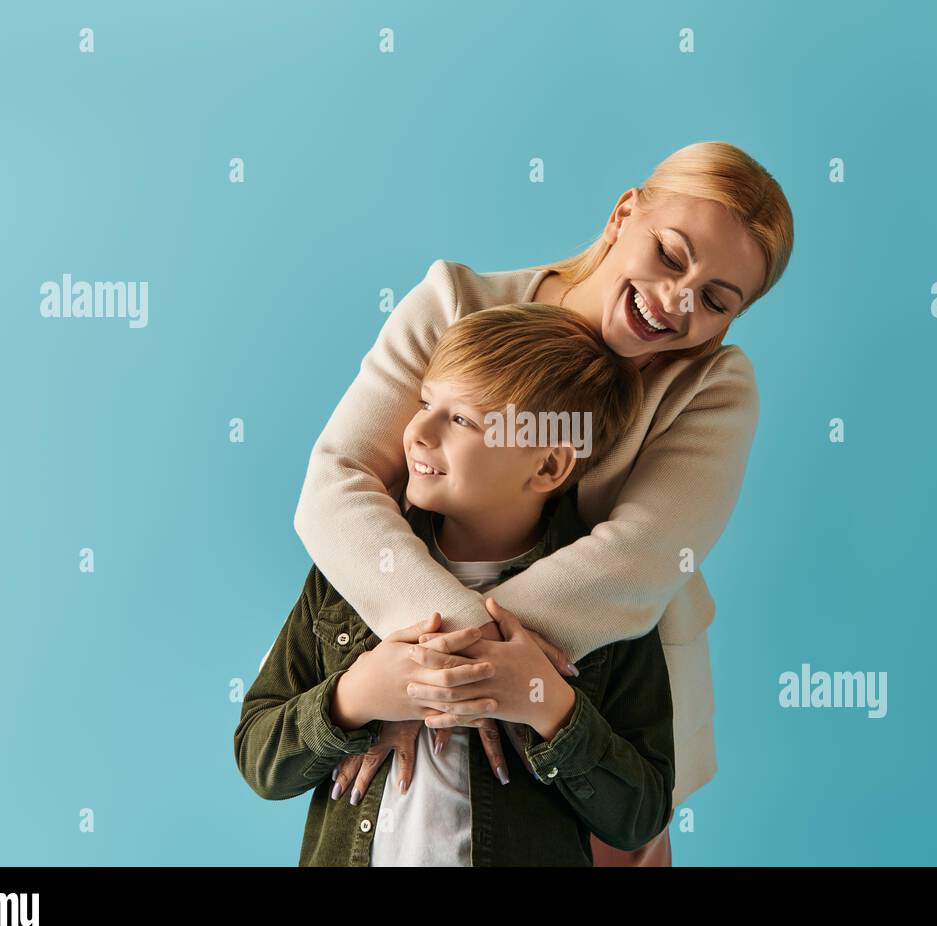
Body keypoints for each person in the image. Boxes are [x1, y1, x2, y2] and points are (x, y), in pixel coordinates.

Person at [293, 142, 794, 865]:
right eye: (669, 254)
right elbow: (337, 483)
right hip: (409, 663)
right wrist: (435, 676)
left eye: (716, 300)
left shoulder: (712, 387)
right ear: (624, 214)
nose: (677, 299)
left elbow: (642, 557)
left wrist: (462, 680)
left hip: (606, 714)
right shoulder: (456, 304)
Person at [235, 305, 673, 865]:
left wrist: (549, 706)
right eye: (425, 403)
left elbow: (640, 816)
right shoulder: (349, 571)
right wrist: (355, 696)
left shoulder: (606, 601)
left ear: (547, 465)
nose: (418, 432)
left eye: (462, 420)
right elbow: (259, 760)